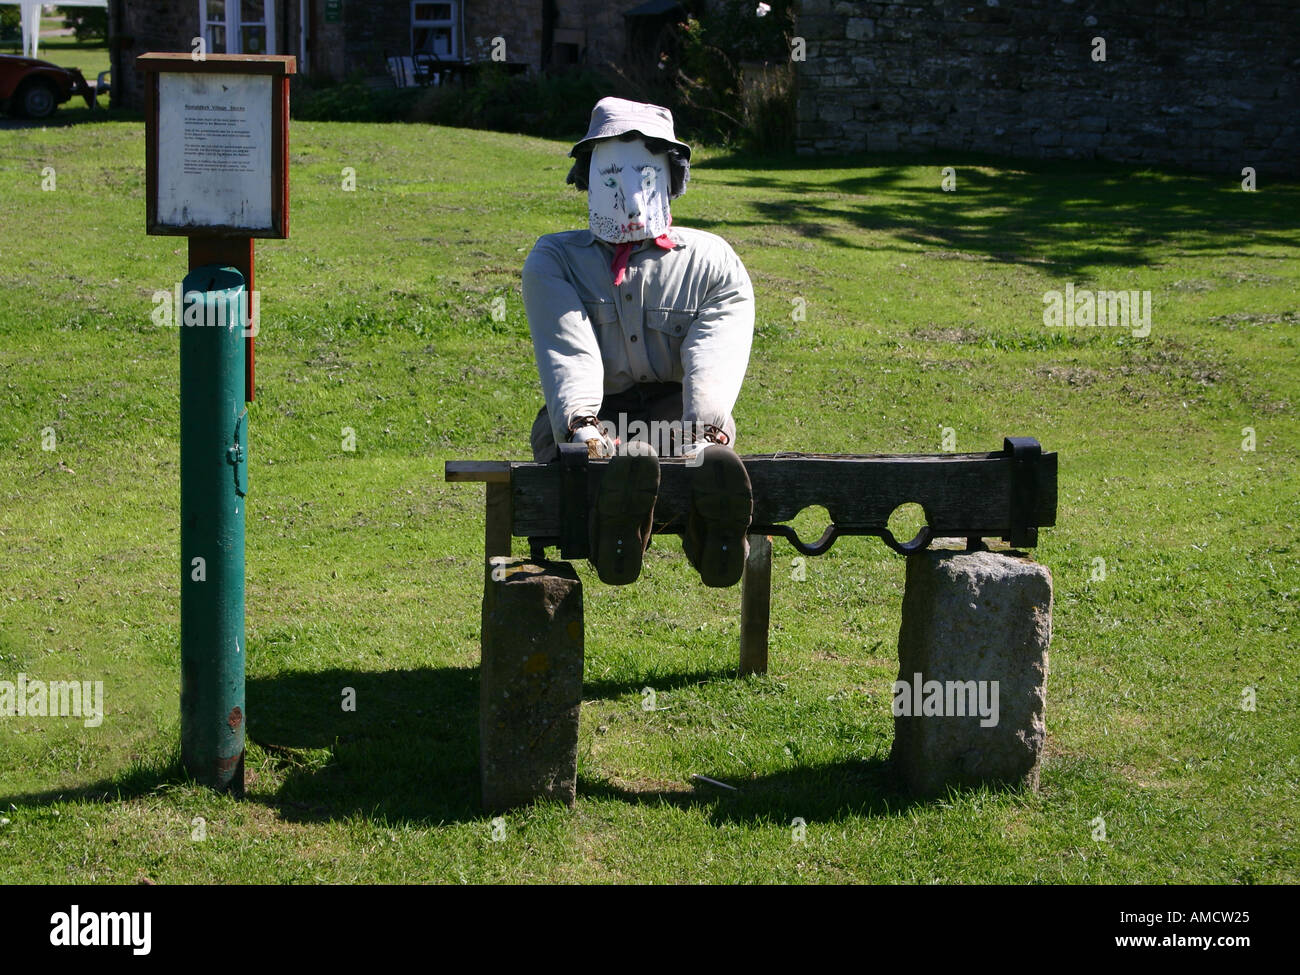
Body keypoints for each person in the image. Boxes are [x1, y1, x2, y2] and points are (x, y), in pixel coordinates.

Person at [522, 96, 756, 588]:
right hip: (596, 420)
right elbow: (569, 349)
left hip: (678, 421)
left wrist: (705, 429)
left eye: (644, 178)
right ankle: (614, 529)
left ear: (671, 177)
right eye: (610, 178)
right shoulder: (554, 259)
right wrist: (585, 426)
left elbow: (715, 352)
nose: (627, 195)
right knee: (583, 458)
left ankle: (708, 532)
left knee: (702, 459)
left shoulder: (712, 261)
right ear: (586, 177)